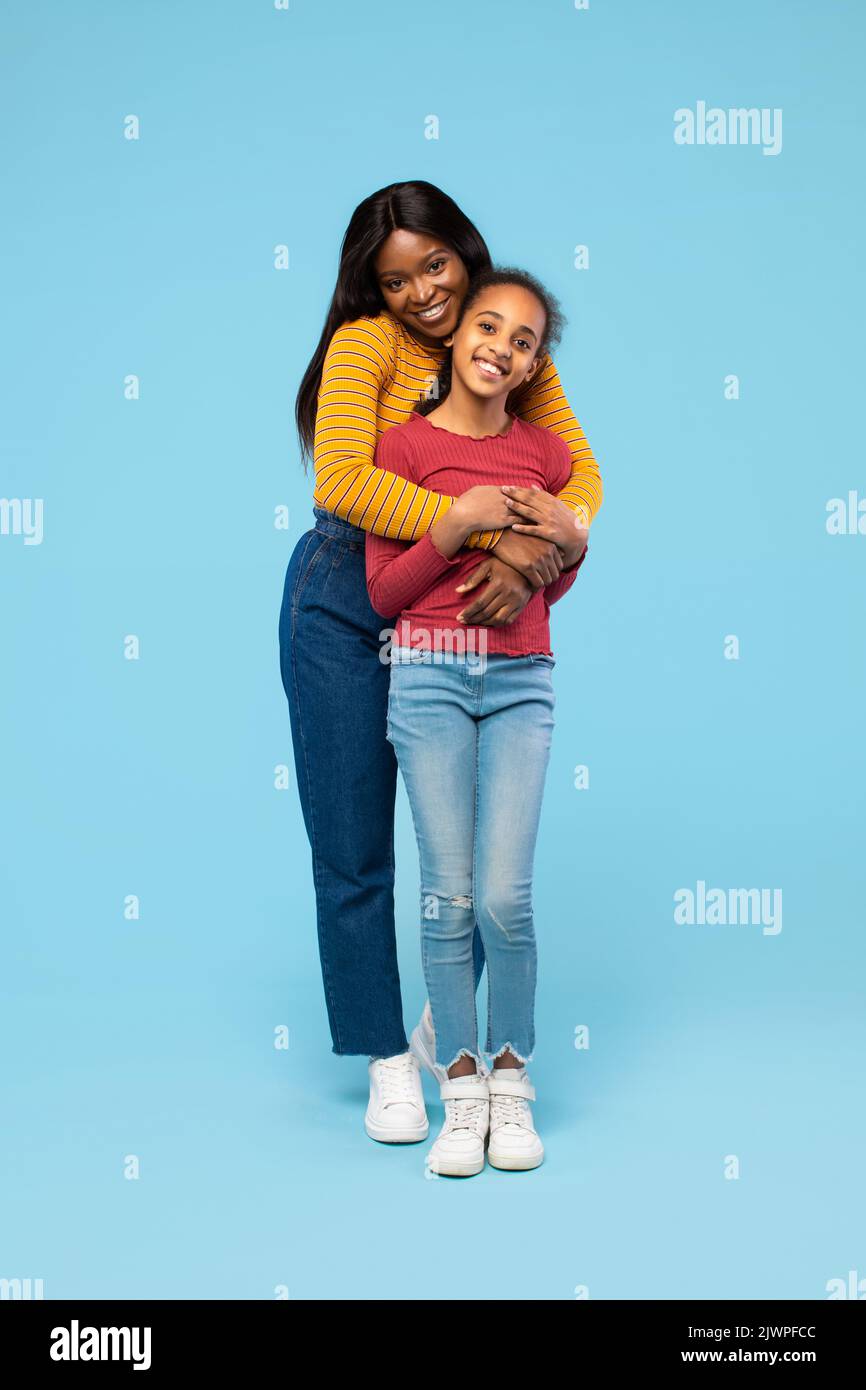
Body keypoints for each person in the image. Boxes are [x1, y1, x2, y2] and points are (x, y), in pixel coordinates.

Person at [278, 182, 602, 1143]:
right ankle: (386, 1055)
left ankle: (457, 1036)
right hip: (347, 589)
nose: (423, 292)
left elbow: (577, 476)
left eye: (435, 265)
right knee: (352, 839)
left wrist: (533, 546)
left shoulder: (503, 342)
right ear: (369, 290)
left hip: (466, 614)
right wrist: (478, 530)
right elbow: (345, 479)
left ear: (465, 253)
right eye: (394, 280)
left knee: (467, 860)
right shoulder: (366, 345)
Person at [364, 267, 587, 1175]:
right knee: (447, 896)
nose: (500, 346)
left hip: (522, 679)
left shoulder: (548, 458)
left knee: (506, 897)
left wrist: (567, 547)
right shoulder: (404, 447)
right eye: (487, 327)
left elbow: (556, 582)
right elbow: (384, 590)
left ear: (534, 366)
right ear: (456, 339)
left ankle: (511, 1075)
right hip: (425, 679)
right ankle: (458, 1086)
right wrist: (456, 525)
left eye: (523, 340)